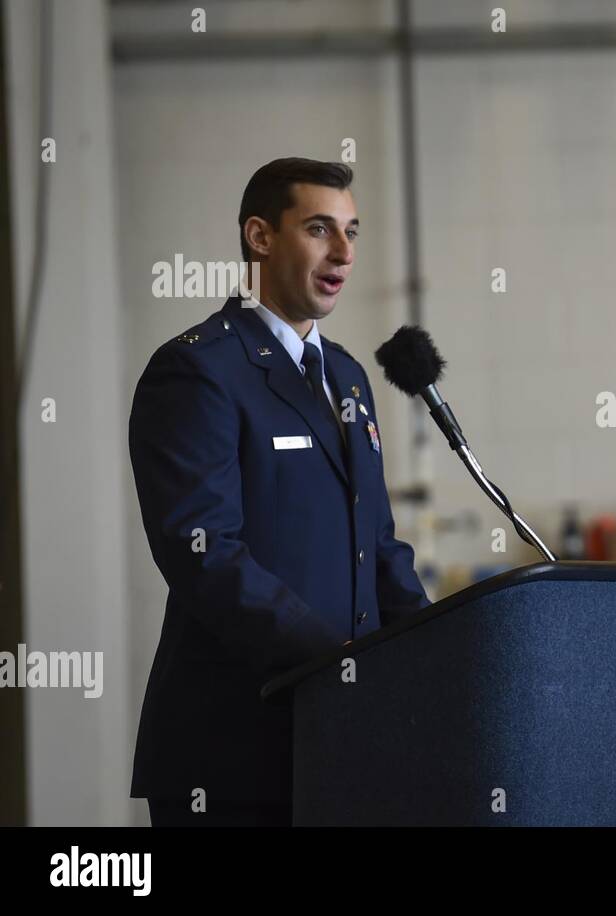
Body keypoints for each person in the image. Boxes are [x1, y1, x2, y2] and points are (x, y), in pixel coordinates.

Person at [128, 158, 431, 826]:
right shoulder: (199, 369)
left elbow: (378, 545)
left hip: (347, 745)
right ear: (260, 237)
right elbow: (202, 550)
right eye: (321, 229)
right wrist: (334, 663)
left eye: (353, 231)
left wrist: (441, 653)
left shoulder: (348, 376)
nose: (345, 252)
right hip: (234, 754)